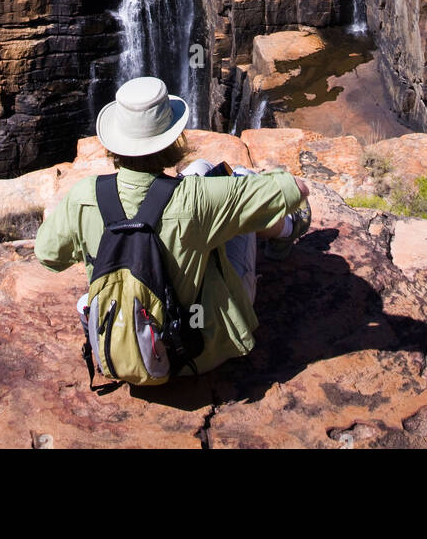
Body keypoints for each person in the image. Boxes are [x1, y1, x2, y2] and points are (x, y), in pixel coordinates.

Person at [34, 76, 311, 376]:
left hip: (116, 346)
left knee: (200, 171)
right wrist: (243, 185)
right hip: (196, 349)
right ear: (171, 138)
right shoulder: (196, 199)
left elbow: (48, 254)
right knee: (238, 192)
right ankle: (286, 232)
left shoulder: (85, 196)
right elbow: (295, 189)